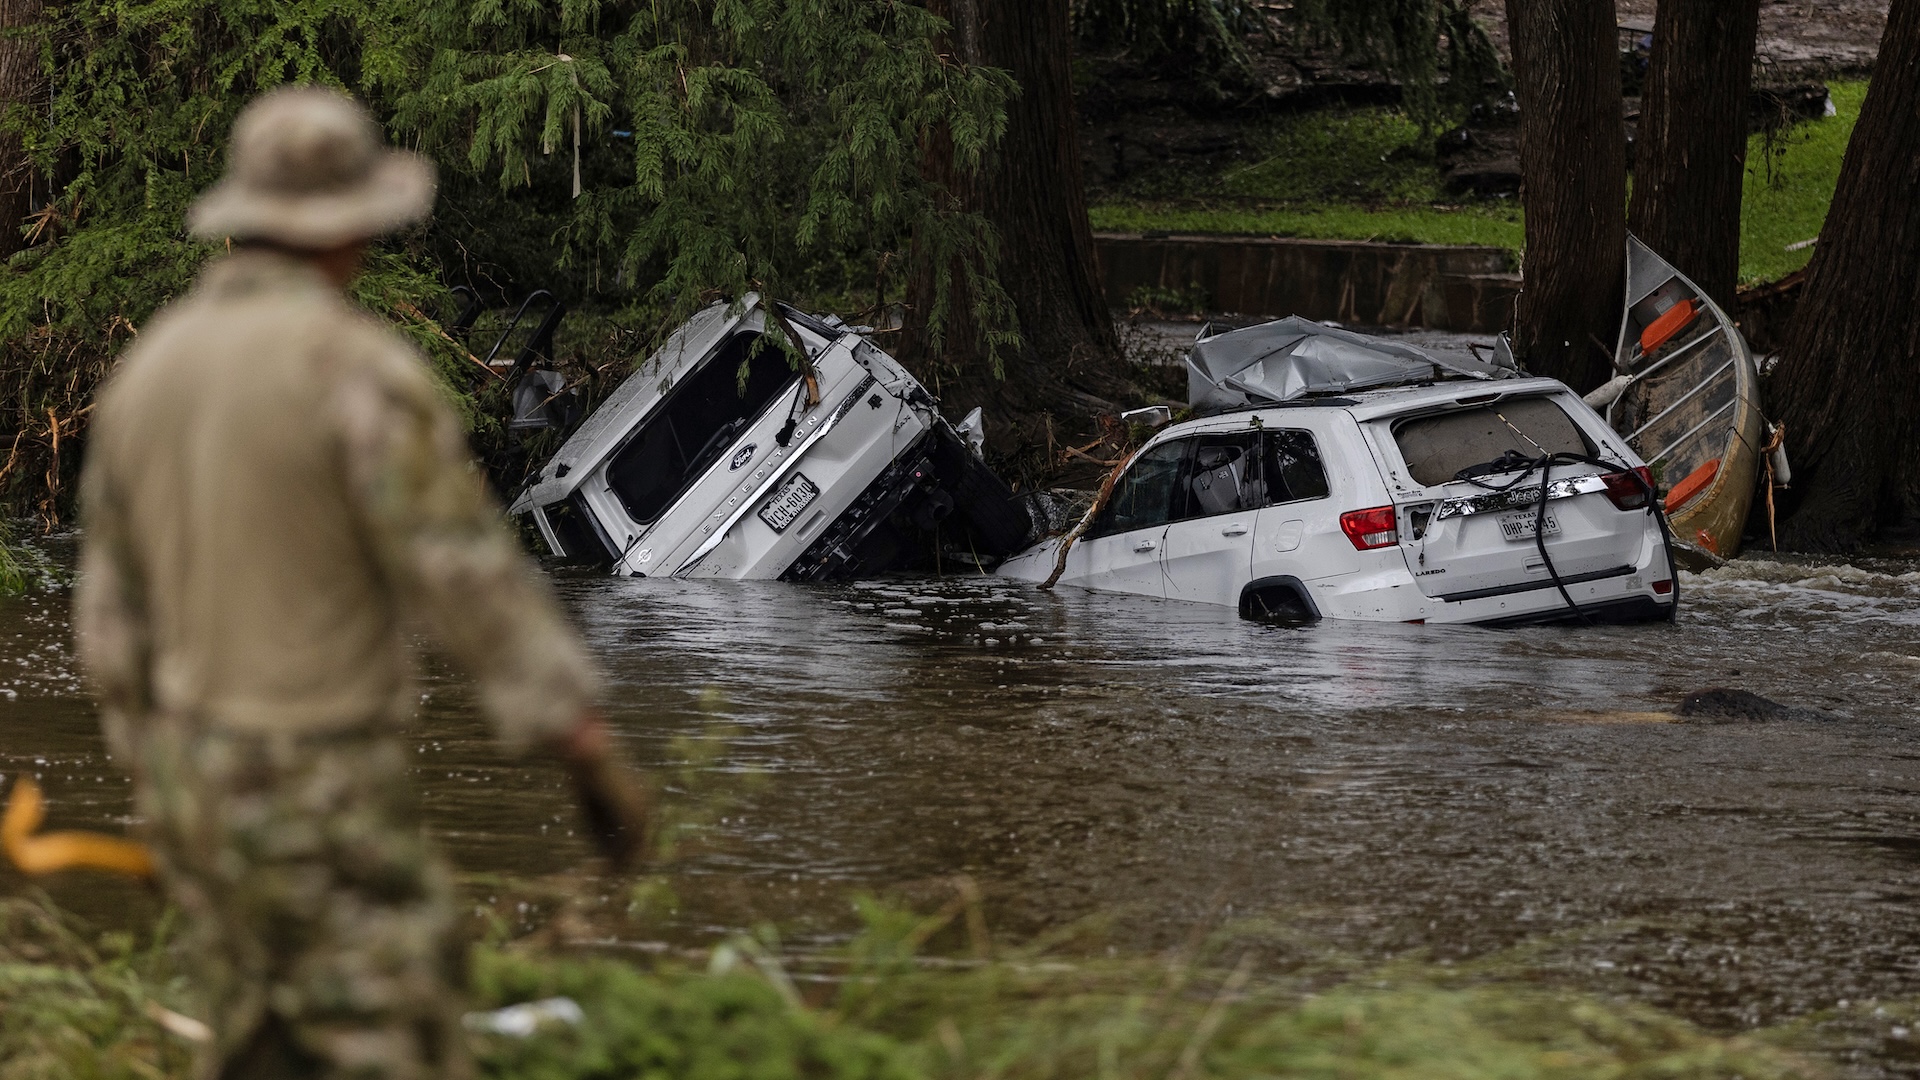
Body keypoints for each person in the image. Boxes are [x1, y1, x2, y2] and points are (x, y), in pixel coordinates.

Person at [73, 85, 651, 1079]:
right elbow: (464, 576)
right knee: (390, 1038)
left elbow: (108, 623)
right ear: (350, 230)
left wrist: (155, 778)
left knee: (255, 1041)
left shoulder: (147, 376)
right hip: (321, 785)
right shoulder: (354, 370)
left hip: (192, 788)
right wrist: (583, 742)